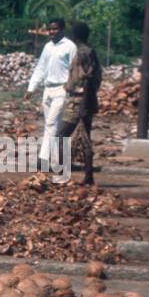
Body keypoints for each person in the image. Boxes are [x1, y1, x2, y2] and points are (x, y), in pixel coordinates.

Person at [23, 18, 77, 171]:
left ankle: (43, 159)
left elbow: (74, 68)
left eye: (55, 29)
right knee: (51, 125)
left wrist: (70, 87)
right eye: (50, 29)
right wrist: (31, 88)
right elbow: (41, 68)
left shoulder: (70, 46)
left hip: (62, 89)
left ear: (62, 29)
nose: (52, 32)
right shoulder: (47, 47)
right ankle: (57, 160)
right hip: (48, 90)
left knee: (51, 124)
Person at [56, 20, 103, 186]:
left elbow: (88, 80)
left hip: (79, 100)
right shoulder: (89, 52)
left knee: (61, 135)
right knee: (85, 138)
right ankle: (88, 175)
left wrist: (83, 104)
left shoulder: (83, 53)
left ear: (75, 35)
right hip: (85, 100)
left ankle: (63, 173)